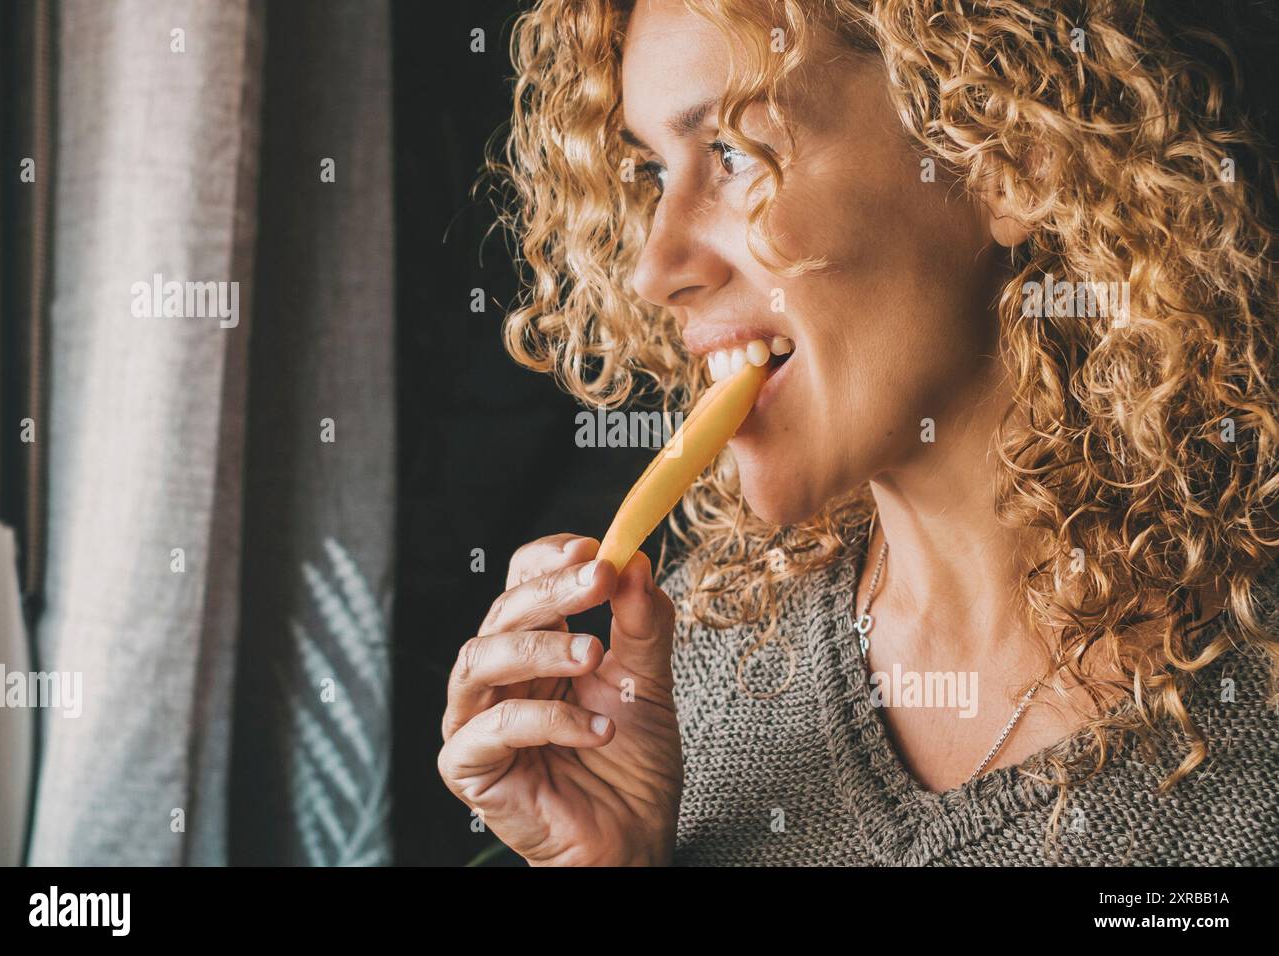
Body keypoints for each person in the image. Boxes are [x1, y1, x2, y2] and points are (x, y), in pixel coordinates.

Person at [438, 0, 1279, 865]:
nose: (654, 269)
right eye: (655, 173)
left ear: (1006, 156)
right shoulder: (674, 667)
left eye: (733, 152)